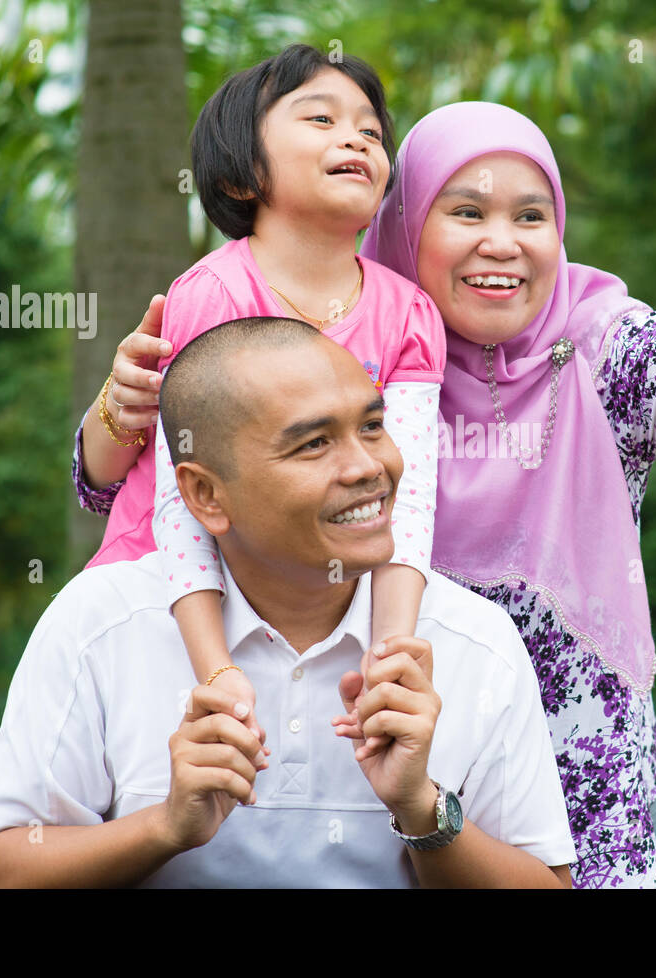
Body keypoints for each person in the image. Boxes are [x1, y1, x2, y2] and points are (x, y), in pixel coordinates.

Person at [92, 102, 656, 888]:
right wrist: (109, 419)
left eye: (531, 216)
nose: (504, 242)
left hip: (588, 785)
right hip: (384, 768)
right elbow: (172, 498)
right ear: (404, 224)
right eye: (465, 213)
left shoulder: (596, 351)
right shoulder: (332, 368)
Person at [0, 318, 575, 888]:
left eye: (372, 426)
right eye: (312, 445)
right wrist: (165, 827)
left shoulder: (474, 641)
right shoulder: (102, 623)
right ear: (205, 495)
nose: (369, 468)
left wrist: (422, 810)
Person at [75, 43, 446, 760]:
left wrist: (391, 651)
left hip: (311, 599)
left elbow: (413, 491)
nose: (357, 139)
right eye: (321, 118)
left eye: (371, 131)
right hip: (166, 599)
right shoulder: (211, 296)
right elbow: (182, 499)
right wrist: (214, 666)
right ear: (243, 172)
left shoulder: (409, 314)